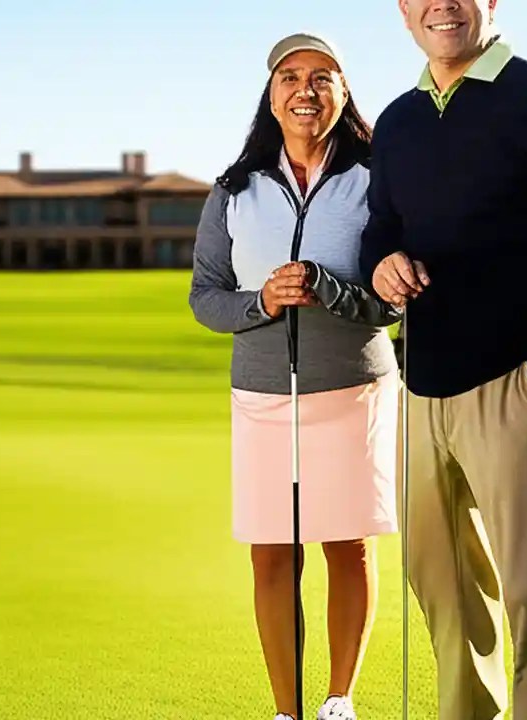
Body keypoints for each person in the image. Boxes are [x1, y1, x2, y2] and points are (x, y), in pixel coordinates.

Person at [359, 2, 527, 719]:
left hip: (517, 388)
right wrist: (383, 263)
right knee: (440, 586)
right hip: (423, 386)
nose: (442, 4)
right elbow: (381, 228)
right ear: (404, 10)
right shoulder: (400, 120)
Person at [188, 31, 402, 720]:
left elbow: (394, 300)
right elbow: (205, 297)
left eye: (322, 76)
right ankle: (288, 711)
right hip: (259, 396)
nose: (305, 90)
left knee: (347, 545)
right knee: (271, 554)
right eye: (290, 76)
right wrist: (263, 302)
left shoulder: (381, 180)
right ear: (271, 95)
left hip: (353, 388)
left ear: (343, 93)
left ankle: (340, 701)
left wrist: (324, 288)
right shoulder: (234, 190)